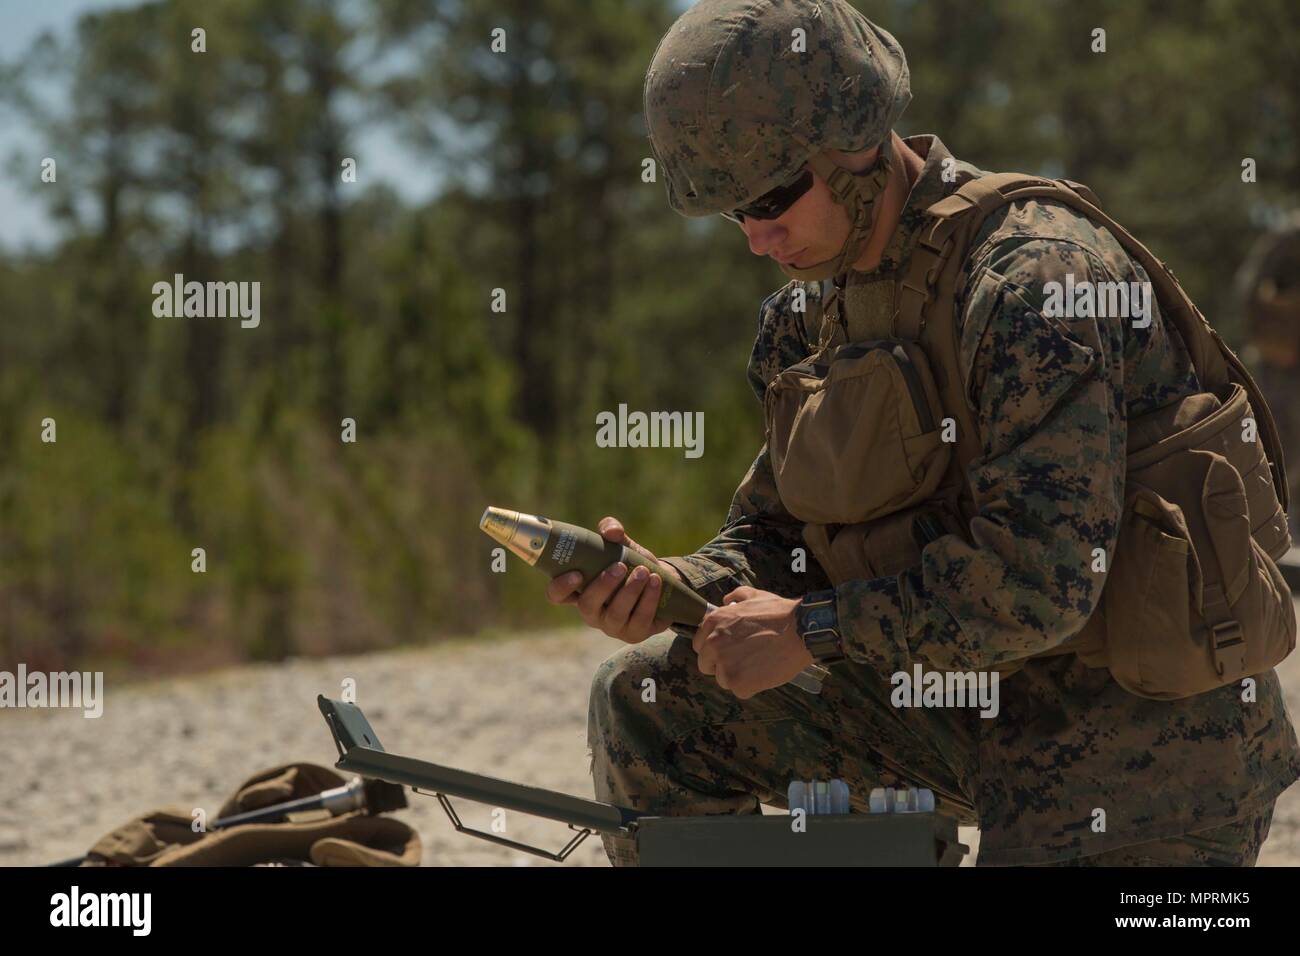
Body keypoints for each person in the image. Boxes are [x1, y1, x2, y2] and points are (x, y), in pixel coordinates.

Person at [548, 0, 1300, 866]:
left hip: (1141, 731)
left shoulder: (1033, 282)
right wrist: (670, 585)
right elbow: (779, 543)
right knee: (650, 695)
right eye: (733, 213)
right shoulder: (809, 315)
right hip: (957, 702)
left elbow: (1044, 580)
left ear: (859, 141)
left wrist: (809, 632)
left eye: (772, 196)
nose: (759, 237)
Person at [1236, 212, 1300, 536]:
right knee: (1268, 440)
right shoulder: (1288, 237)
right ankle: (1261, 521)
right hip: (1276, 360)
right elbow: (1249, 287)